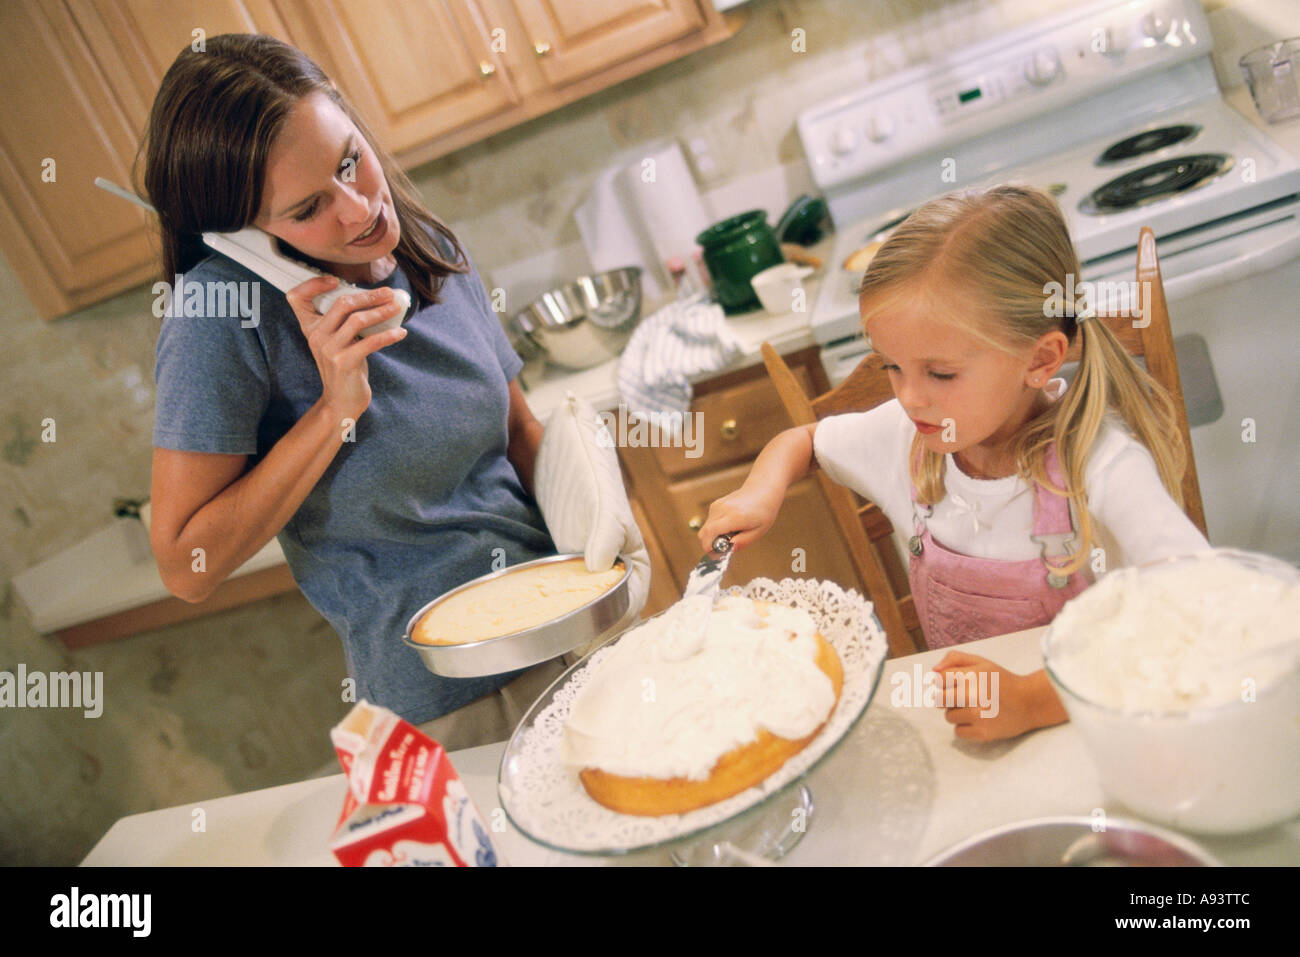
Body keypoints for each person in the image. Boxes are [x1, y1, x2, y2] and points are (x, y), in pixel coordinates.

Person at [142, 34, 646, 748]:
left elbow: (519, 437)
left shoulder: (426, 245)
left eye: (351, 161)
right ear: (241, 236)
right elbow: (184, 566)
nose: (359, 211)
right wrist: (333, 410)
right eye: (308, 208)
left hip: (571, 633)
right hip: (451, 705)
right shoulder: (217, 316)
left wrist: (608, 556)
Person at [698, 184, 1210, 741]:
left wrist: (1032, 700)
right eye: (891, 366)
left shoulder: (1098, 462)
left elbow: (1197, 598)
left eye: (940, 374)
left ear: (1039, 360)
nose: (910, 396)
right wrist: (761, 489)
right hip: (974, 744)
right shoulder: (908, 438)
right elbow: (805, 441)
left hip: (1104, 736)